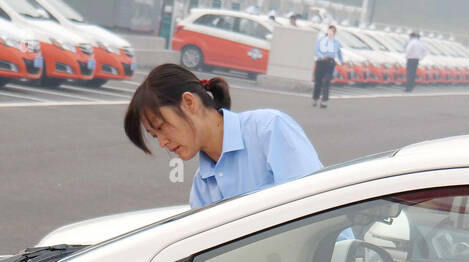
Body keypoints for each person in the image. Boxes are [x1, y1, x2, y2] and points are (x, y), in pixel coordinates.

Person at [123, 64, 323, 209]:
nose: (163, 142)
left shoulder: (269, 131)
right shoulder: (202, 187)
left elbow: (318, 208)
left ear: (189, 103)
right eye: (154, 136)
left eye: (161, 126)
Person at [313, 24, 342, 107]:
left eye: (333, 31)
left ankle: (324, 101)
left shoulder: (336, 42)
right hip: (321, 62)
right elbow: (316, 49)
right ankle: (315, 99)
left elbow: (339, 52)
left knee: (326, 81)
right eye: (331, 31)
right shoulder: (321, 40)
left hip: (330, 63)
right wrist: (322, 57)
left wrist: (340, 61)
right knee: (318, 82)